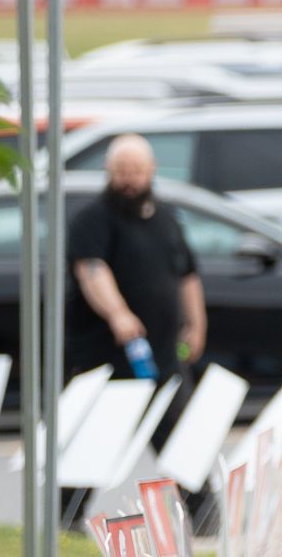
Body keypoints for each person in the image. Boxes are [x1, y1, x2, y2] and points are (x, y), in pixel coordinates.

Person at [66, 135, 201, 381]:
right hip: (110, 356)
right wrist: (118, 313)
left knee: (177, 416)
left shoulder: (166, 216)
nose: (129, 180)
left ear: (152, 168)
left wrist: (196, 324)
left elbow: (187, 274)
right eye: (122, 171)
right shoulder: (93, 218)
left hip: (165, 355)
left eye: (137, 171)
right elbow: (91, 269)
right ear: (108, 170)